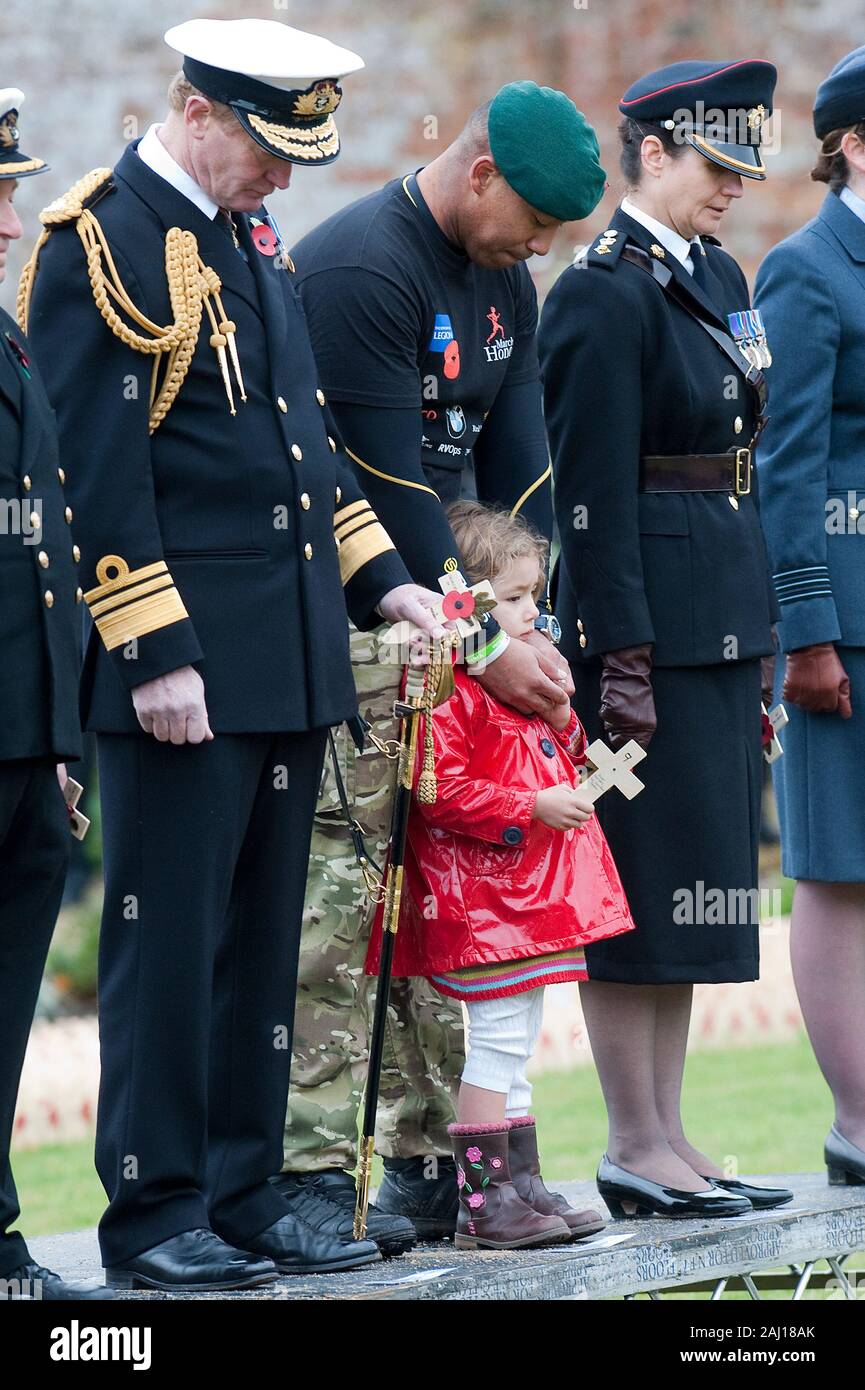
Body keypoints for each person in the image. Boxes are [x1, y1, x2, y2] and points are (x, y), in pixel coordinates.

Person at [23, 17, 446, 1291]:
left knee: (260, 939)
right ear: (199, 111)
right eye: (267, 146)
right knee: (168, 939)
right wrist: (153, 650)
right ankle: (154, 1213)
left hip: (286, 654)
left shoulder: (240, 233)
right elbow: (92, 473)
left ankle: (245, 1186)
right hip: (182, 664)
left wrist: (387, 584)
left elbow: (302, 447)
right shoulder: (98, 240)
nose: (283, 176)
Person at [279, 80, 606, 1247]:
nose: (543, 249)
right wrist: (485, 643)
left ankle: (430, 1161)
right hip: (365, 623)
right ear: (478, 175)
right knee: (350, 907)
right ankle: (314, 1171)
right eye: (533, 221)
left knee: (450, 912)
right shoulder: (366, 268)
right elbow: (387, 479)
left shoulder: (506, 280)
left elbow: (520, 470)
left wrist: (532, 618)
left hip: (464, 630)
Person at [539, 59, 793, 1219]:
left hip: (720, 620)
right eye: (713, 165)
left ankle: (672, 1136)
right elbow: (588, 496)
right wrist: (620, 658)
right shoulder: (602, 292)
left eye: (744, 167)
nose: (732, 188)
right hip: (648, 641)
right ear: (651, 152)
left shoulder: (714, 274)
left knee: (701, 892)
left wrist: (765, 638)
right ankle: (632, 1139)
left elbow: (738, 463)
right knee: (640, 890)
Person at [366, 501, 635, 1248]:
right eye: (513, 599)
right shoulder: (450, 684)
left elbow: (561, 747)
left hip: (530, 898)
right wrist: (529, 805)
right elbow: (434, 788)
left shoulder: (517, 681)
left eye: (533, 598)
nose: (529, 612)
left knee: (518, 1038)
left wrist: (561, 714)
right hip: (487, 901)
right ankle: (484, 1205)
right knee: (497, 1041)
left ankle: (521, 1186)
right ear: (466, 603)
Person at [0, 90, 111, 1301]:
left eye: (16, 190)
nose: (12, 218)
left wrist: (60, 740)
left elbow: (46, 555)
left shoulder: (12, 336)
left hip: (28, 740)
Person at [754, 45, 865, 1188]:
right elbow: (784, 464)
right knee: (837, 867)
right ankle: (856, 1126)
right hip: (846, 613)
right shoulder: (806, 267)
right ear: (852, 141)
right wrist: (806, 628)